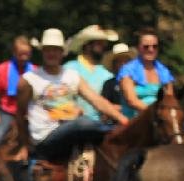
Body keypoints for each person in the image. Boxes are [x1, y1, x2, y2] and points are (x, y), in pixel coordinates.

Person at [17, 28, 128, 163]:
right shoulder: (29, 80)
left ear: (62, 52)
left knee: (86, 128)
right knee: (82, 123)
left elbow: (97, 100)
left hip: (72, 129)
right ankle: (110, 131)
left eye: (56, 49)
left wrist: (124, 121)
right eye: (48, 49)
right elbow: (20, 115)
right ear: (42, 51)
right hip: (46, 137)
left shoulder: (72, 76)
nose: (52, 53)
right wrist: (24, 144)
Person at [64, 25, 119, 121]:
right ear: (87, 45)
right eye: (99, 43)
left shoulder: (107, 73)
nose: (103, 46)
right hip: (73, 126)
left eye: (104, 43)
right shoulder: (69, 69)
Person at [117, 27, 175, 120]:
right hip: (135, 121)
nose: (151, 50)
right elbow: (132, 100)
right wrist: (155, 113)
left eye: (154, 46)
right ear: (138, 48)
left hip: (160, 120)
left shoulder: (164, 71)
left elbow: (170, 99)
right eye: (146, 46)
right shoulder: (127, 70)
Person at [0, 35, 35, 145]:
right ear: (14, 52)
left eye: (27, 54)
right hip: (8, 113)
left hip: (30, 114)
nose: (24, 57)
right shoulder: (2, 69)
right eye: (20, 54)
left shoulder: (35, 71)